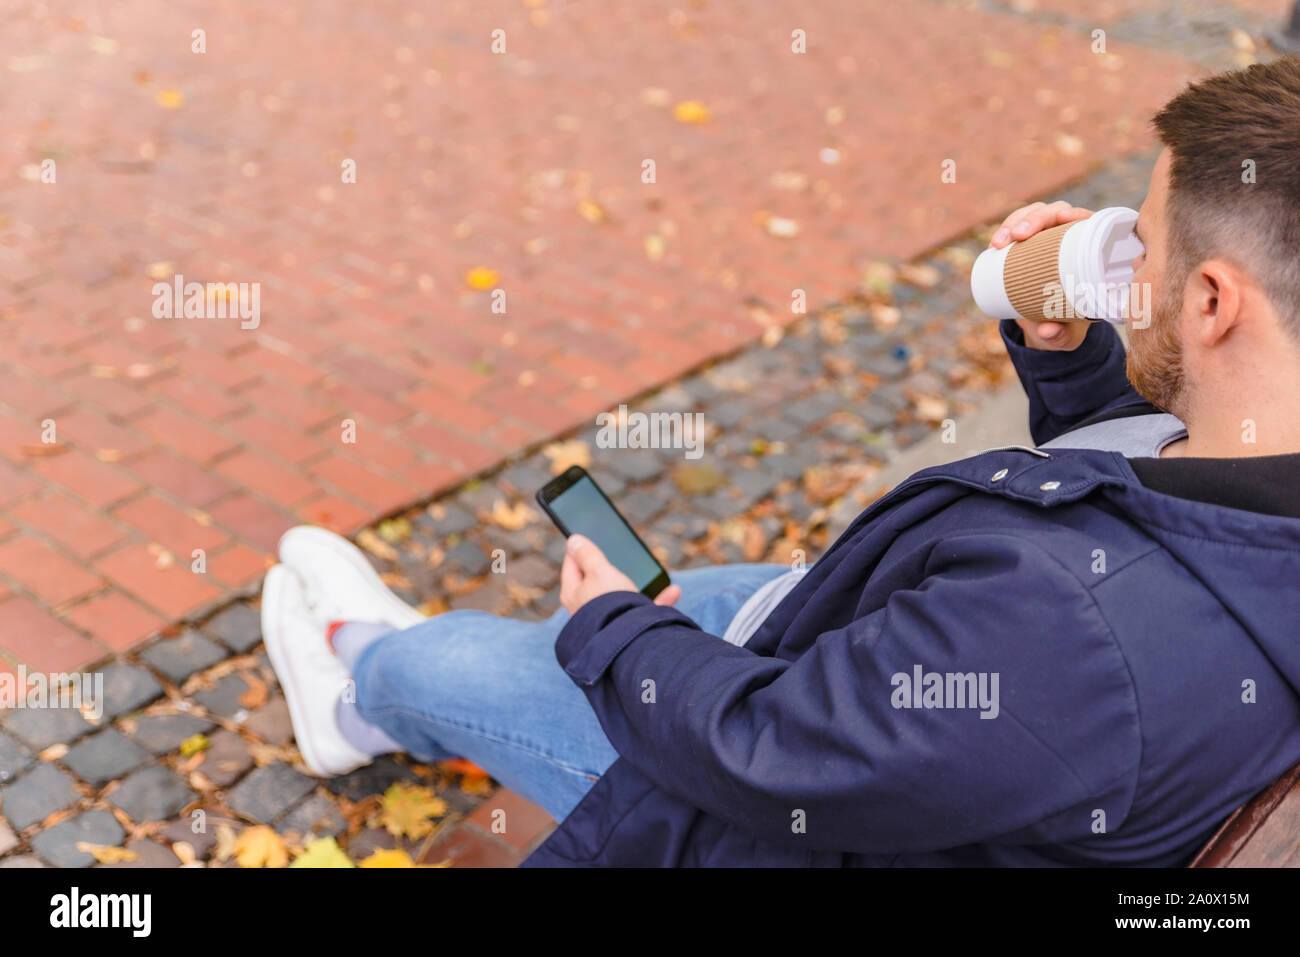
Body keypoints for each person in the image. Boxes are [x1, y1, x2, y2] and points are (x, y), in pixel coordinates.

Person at [262, 56, 1300, 866]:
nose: (1129, 270)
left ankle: (354, 677)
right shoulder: (1252, 458)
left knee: (455, 664)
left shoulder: (1077, 639)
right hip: (855, 653)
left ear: (1212, 303)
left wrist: (612, 631)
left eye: (1150, 251)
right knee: (704, 602)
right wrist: (1068, 357)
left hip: (761, 793)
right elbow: (1155, 475)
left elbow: (771, 757)